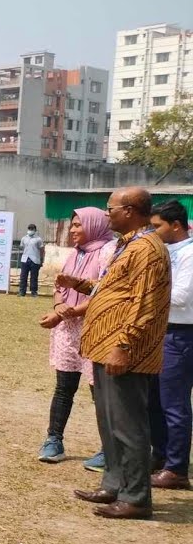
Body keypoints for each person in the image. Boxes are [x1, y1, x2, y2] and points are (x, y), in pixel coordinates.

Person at [60, 188, 170, 520]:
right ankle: (115, 483)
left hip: (125, 351)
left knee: (128, 425)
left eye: (111, 209)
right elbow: (112, 289)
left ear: (131, 210)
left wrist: (124, 345)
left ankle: (135, 497)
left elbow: (145, 303)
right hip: (104, 346)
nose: (107, 214)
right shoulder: (127, 245)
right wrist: (79, 285)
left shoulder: (147, 250)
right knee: (109, 423)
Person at [35, 207, 112, 465]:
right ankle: (53, 440)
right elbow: (59, 286)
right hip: (67, 330)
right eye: (73, 225)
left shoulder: (108, 252)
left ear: (94, 225)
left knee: (99, 392)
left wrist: (65, 314)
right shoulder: (74, 254)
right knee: (64, 388)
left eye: (78, 225)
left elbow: (104, 293)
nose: (73, 229)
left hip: (95, 328)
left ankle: (108, 449)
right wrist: (59, 307)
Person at [149, 200, 193, 491]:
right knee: (155, 401)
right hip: (163, 332)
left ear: (176, 225)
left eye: (157, 227)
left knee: (174, 404)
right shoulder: (168, 251)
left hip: (181, 333)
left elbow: (180, 297)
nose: (153, 232)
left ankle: (176, 469)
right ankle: (161, 456)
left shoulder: (189, 254)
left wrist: (145, 294)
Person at [19, 223, 46, 297]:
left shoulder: (38, 239)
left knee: (34, 277)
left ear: (35, 230)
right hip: (25, 259)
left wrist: (42, 259)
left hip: (35, 260)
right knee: (23, 276)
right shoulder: (24, 238)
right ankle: (22, 291)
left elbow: (42, 250)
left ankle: (33, 292)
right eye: (29, 229)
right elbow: (22, 247)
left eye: (32, 229)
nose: (30, 230)